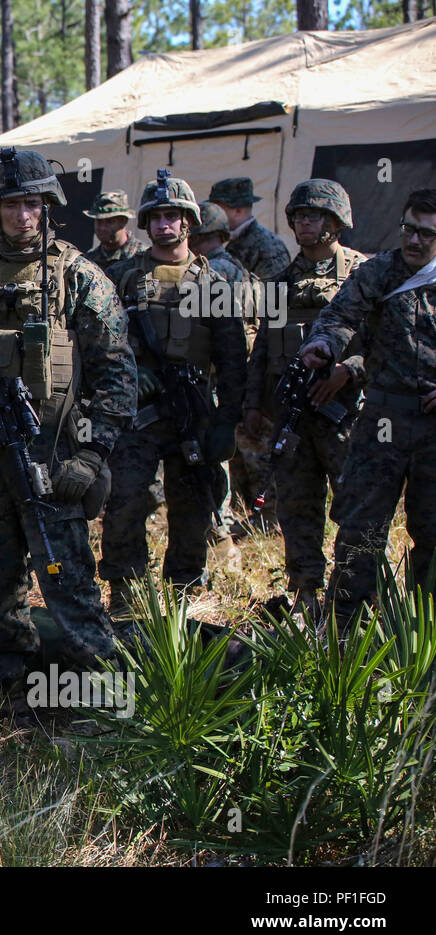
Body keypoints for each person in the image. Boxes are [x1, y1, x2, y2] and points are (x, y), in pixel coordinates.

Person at [0, 148, 136, 687]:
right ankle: (5, 682)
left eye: (32, 204)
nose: (22, 215)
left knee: (69, 581)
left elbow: (118, 376)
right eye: (11, 204)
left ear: (48, 206)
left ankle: (104, 688)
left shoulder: (79, 277)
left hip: (56, 455)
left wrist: (91, 454)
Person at [102, 172, 248, 611]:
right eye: (157, 217)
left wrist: (228, 421)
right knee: (125, 501)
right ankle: (125, 599)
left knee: (192, 508)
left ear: (190, 222)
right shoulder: (121, 278)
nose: (165, 225)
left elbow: (233, 358)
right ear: (146, 223)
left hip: (193, 411)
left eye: (174, 216)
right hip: (137, 416)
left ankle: (186, 593)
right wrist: (131, 370)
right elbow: (98, 340)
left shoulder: (214, 284)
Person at [301, 188, 436, 624]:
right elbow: (340, 317)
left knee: (433, 535)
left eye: (428, 235)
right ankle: (346, 632)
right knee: (360, 530)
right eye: (409, 230)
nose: (415, 242)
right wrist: (323, 346)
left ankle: (421, 637)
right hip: (383, 421)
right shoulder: (380, 272)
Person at [245, 181, 367, 613]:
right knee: (297, 506)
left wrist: (347, 372)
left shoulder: (362, 276)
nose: (302, 223)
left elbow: (390, 345)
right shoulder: (280, 284)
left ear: (335, 223)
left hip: (346, 416)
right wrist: (254, 405)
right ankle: (306, 594)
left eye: (312, 216)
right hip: (292, 416)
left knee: (356, 507)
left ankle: (357, 596)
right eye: (297, 216)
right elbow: (262, 348)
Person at [190, 201, 268, 530]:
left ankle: (220, 523)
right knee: (253, 457)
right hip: (249, 375)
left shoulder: (205, 275)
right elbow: (269, 324)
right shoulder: (247, 273)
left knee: (218, 457)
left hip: (213, 380)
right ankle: (261, 516)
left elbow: (203, 337)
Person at [208, 176, 291, 280]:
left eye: (218, 209)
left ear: (238, 211)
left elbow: (275, 293)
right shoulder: (229, 239)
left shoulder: (269, 247)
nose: (213, 214)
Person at [83, 190, 148, 272]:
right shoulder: (89, 260)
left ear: (123, 221)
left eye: (109, 221)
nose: (102, 227)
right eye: (99, 221)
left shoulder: (142, 257)